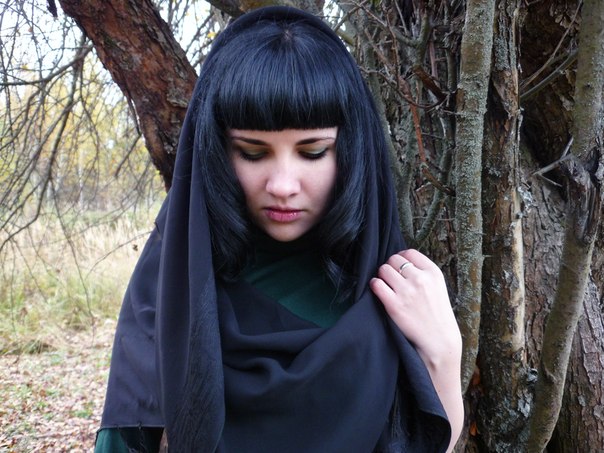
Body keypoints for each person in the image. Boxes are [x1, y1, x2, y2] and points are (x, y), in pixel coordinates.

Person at [95, 6, 463, 452]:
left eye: (312, 152)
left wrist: (444, 354)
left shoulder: (396, 288)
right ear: (216, 151)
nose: (283, 186)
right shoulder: (172, 289)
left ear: (351, 149)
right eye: (253, 152)